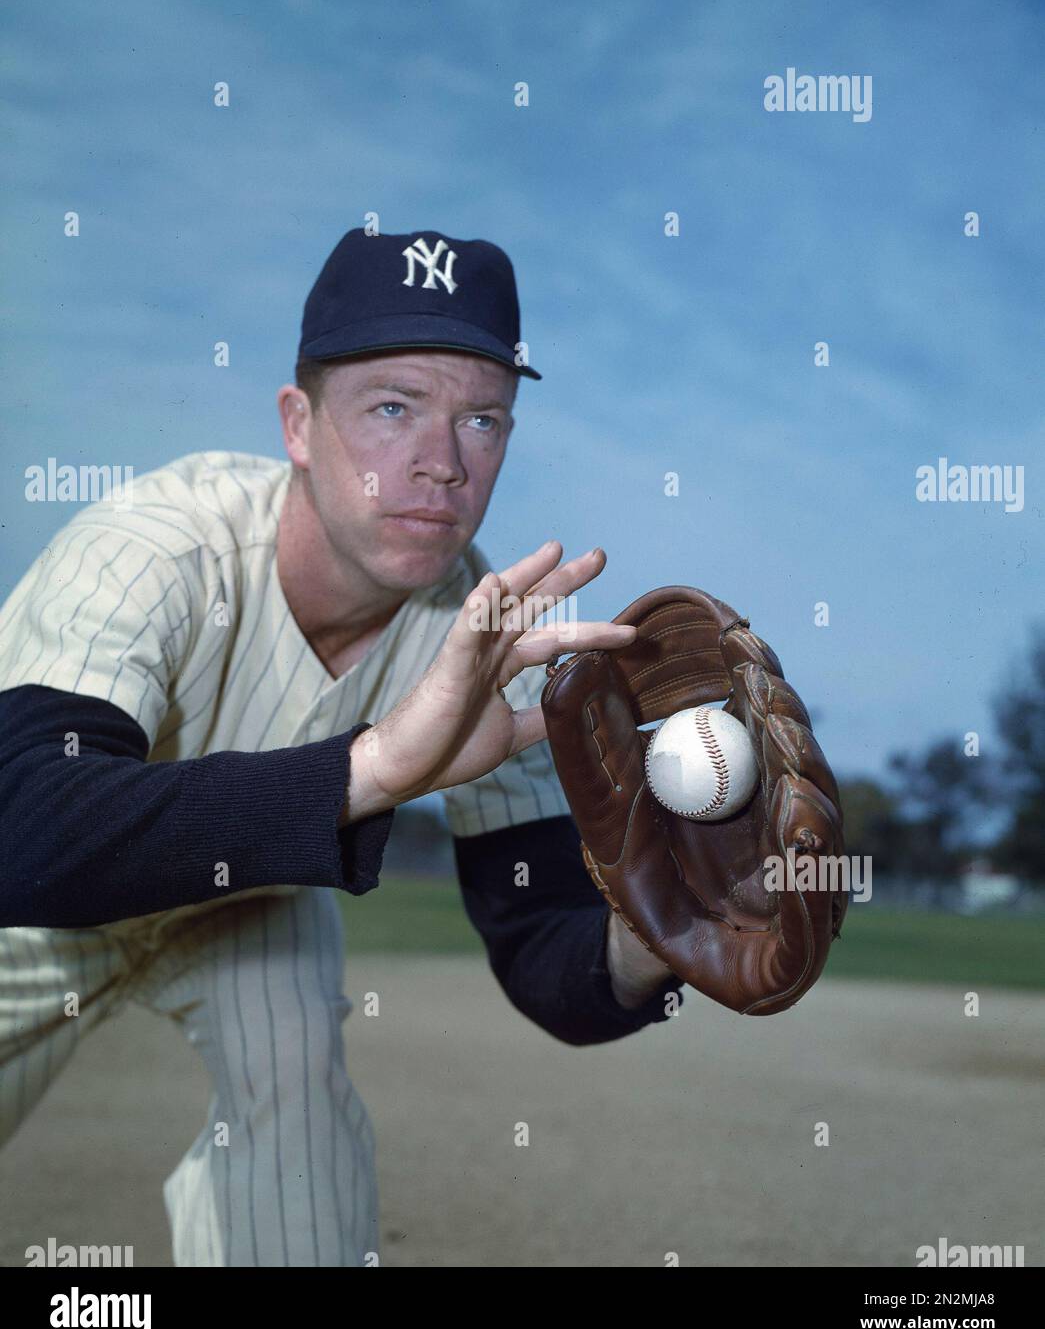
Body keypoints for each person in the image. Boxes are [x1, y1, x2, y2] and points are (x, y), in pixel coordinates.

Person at [0, 227, 682, 1267]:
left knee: (297, 1084)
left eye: (483, 419)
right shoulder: (152, 548)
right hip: (33, 914)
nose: (442, 463)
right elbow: (27, 832)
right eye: (393, 407)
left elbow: (546, 953)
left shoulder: (490, 630)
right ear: (300, 425)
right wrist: (374, 769)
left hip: (243, 908)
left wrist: (652, 936)